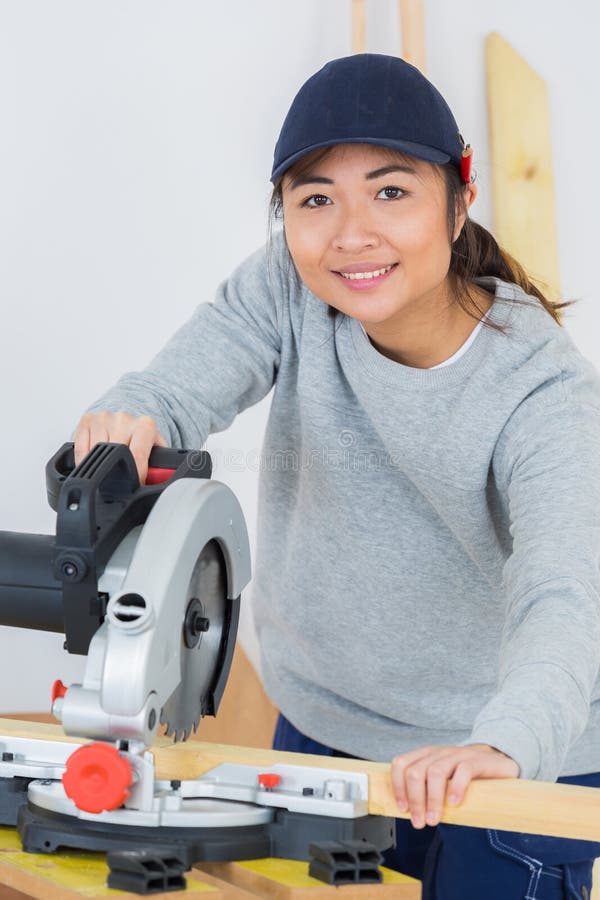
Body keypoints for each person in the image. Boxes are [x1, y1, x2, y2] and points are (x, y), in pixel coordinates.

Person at [73, 54, 600, 898]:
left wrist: (506, 743)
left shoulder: (541, 390)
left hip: (505, 752)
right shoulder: (288, 285)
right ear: (283, 214)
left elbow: (565, 593)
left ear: (460, 202)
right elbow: (170, 391)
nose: (351, 234)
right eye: (315, 199)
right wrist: (122, 426)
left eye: (392, 192)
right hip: (328, 722)